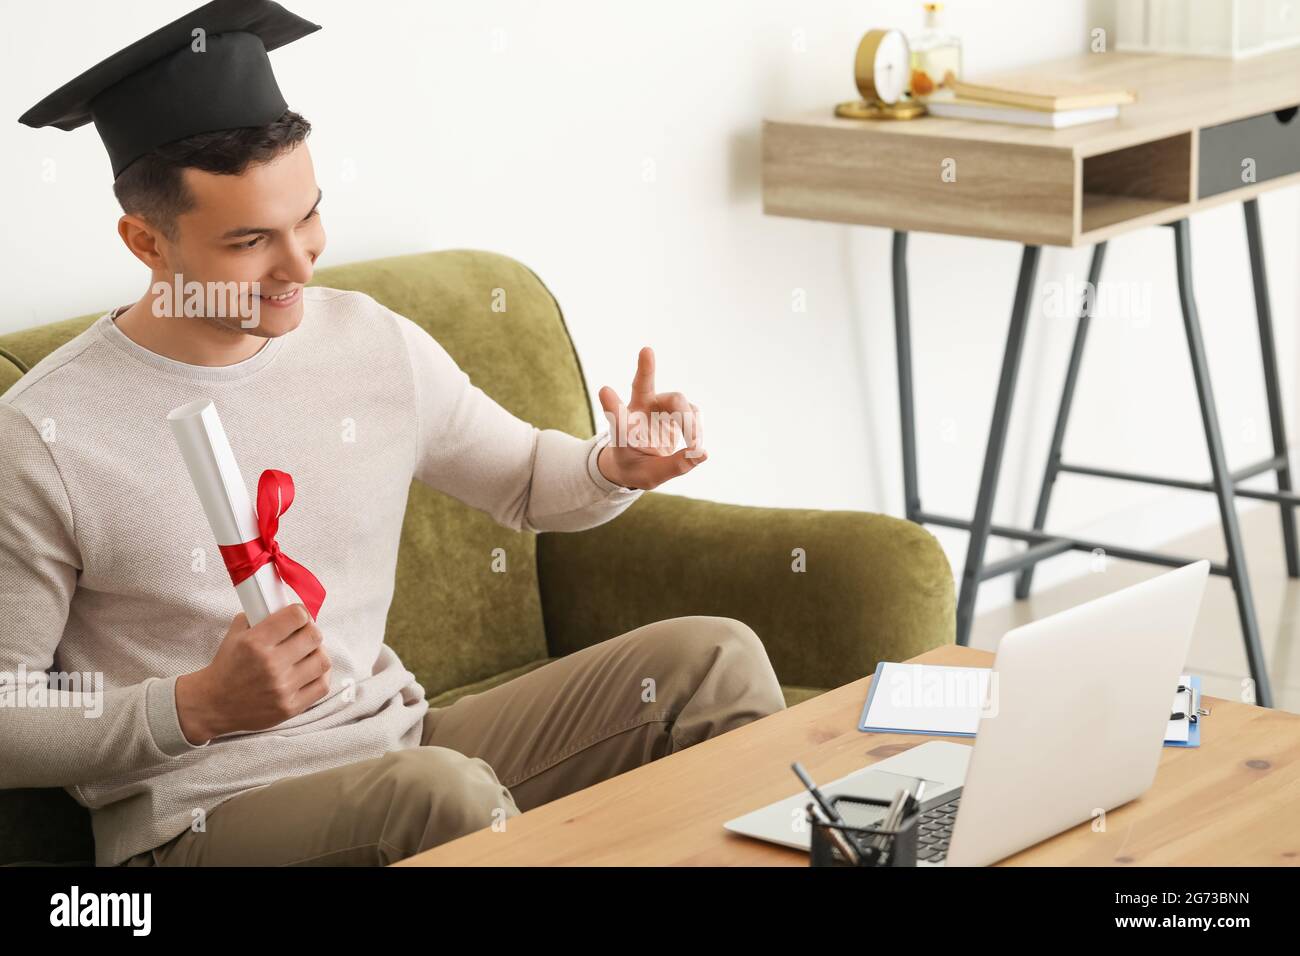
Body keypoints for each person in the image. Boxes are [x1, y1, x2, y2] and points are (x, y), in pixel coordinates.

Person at [3, 0, 785, 867]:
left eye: (307, 218)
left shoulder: (368, 341)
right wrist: (191, 707)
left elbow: (525, 478)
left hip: (400, 748)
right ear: (146, 242)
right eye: (251, 240)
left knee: (713, 660)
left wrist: (615, 465)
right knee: (445, 797)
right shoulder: (45, 434)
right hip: (204, 818)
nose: (301, 266)